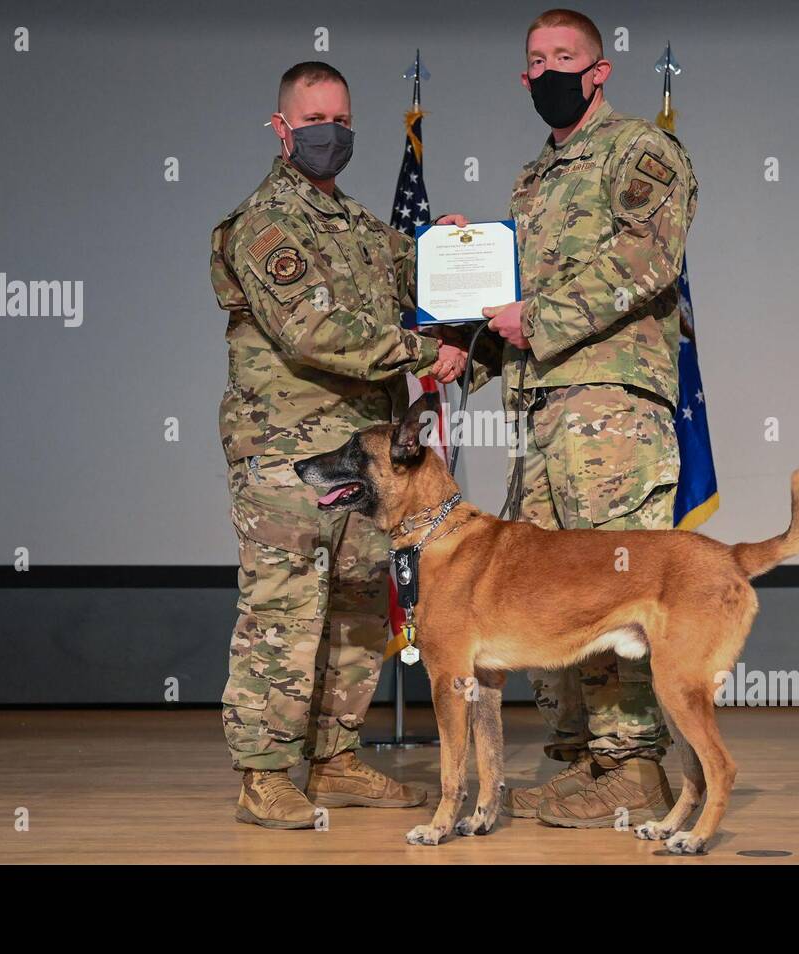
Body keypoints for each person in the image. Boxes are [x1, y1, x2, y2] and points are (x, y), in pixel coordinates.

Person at [209, 61, 468, 829]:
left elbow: (415, 271)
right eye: (317, 120)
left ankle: (335, 758)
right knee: (284, 611)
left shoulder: (355, 227)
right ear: (283, 128)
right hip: (289, 456)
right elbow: (315, 332)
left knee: (358, 608)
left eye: (345, 121)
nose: (333, 134)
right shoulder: (264, 225)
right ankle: (264, 774)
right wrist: (425, 355)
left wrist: (452, 251)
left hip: (366, 464)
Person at [482, 9, 699, 828]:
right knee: (546, 597)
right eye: (535, 60)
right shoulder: (534, 179)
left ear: (599, 70)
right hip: (543, 408)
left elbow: (647, 260)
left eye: (564, 57)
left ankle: (634, 767)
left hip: (610, 408)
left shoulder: (638, 150)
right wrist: (468, 310)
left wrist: (534, 316)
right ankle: (583, 756)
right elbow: (511, 301)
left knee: (615, 589)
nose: (548, 72)